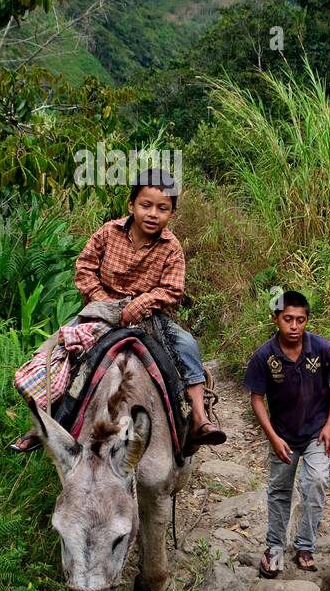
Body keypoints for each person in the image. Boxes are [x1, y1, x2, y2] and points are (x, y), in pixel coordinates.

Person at [12, 168, 225, 451]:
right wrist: (105, 303)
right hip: (101, 307)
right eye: (145, 205)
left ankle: (199, 418)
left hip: (149, 315)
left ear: (172, 213)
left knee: (187, 345)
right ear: (131, 205)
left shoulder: (171, 247)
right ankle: (45, 425)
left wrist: (140, 304)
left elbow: (172, 289)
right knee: (57, 350)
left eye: (162, 208)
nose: (152, 214)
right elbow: (84, 268)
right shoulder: (108, 232)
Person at [243, 291, 330, 576]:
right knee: (279, 490)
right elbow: (257, 398)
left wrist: (329, 424)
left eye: (301, 320)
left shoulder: (321, 349)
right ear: (276, 319)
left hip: (317, 431)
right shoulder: (264, 356)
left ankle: (305, 545)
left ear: (307, 320)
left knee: (317, 481)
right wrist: (272, 436)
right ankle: (274, 547)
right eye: (288, 319)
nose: (294, 326)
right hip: (284, 435)